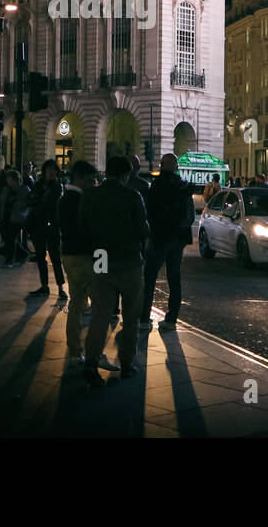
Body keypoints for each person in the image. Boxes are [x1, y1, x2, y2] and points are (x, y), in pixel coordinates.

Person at [79, 156, 150, 386]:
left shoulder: (90, 195)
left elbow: (82, 226)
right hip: (129, 260)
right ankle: (127, 364)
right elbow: (143, 230)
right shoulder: (132, 196)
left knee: (100, 313)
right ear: (125, 174)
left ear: (106, 172)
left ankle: (90, 362)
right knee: (131, 317)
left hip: (101, 257)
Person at [56, 160, 117, 372]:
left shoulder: (65, 199)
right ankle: (95, 353)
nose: (94, 184)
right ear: (80, 179)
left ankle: (75, 353)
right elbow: (93, 230)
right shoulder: (81, 200)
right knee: (102, 305)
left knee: (77, 304)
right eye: (91, 180)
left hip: (71, 255)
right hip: (88, 257)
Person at [141, 153, 196, 331]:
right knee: (174, 278)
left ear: (161, 165)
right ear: (177, 167)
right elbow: (190, 214)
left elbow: (150, 211)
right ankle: (171, 319)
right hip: (178, 237)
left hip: (159, 237)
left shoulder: (158, 185)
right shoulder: (184, 186)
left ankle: (143, 318)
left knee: (149, 278)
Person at [26, 160, 67, 302]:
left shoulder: (57, 187)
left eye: (54, 169)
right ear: (44, 171)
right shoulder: (38, 185)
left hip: (52, 225)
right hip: (38, 225)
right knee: (40, 257)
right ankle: (44, 285)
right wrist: (40, 200)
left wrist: (39, 201)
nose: (51, 172)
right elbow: (30, 201)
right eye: (49, 169)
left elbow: (50, 204)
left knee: (55, 258)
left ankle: (61, 288)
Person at [0, 170, 31, 267]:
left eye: (10, 180)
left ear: (16, 180)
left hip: (18, 217)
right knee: (9, 238)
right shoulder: (6, 189)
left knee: (11, 238)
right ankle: (22, 255)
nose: (9, 182)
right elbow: (2, 203)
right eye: (8, 180)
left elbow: (28, 203)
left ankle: (9, 260)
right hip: (7, 217)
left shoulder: (24, 189)